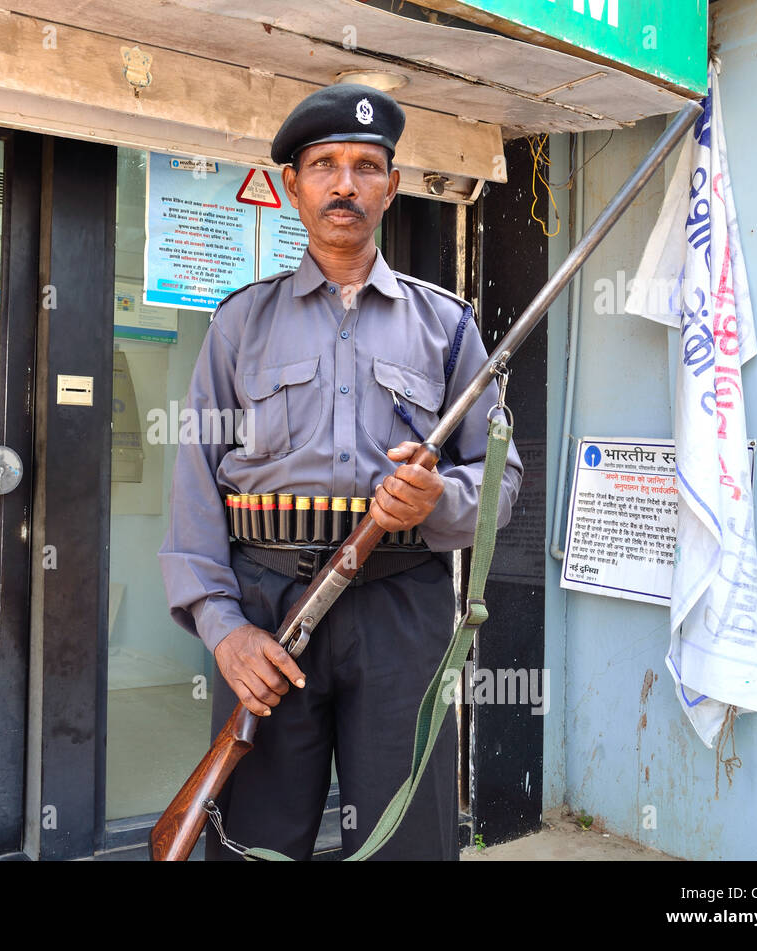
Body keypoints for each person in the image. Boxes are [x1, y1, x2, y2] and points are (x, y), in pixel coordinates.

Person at [158, 84, 523, 860]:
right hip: (267, 613)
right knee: (255, 835)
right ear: (293, 187)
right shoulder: (238, 324)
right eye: (323, 164)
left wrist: (437, 499)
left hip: (402, 607)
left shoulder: (448, 324)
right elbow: (194, 493)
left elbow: (497, 482)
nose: (345, 183)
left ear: (392, 185)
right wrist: (224, 633)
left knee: (409, 840)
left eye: (366, 165)